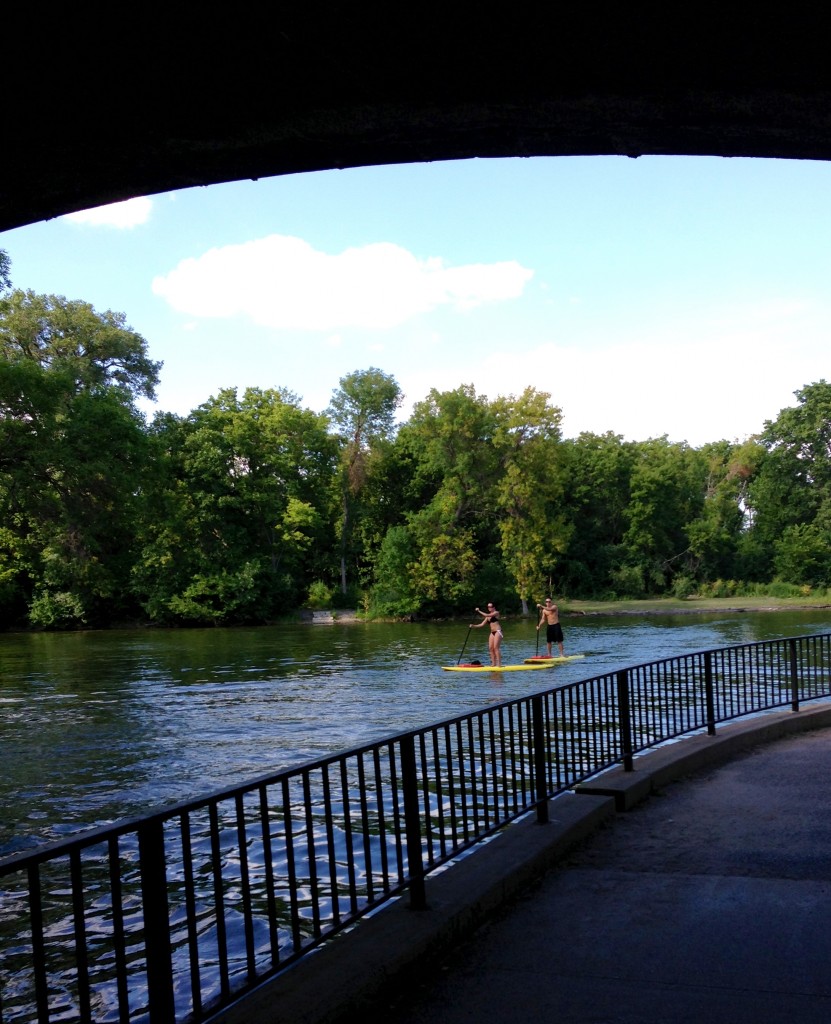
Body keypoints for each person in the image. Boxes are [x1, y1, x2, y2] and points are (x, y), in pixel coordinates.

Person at [472, 602, 503, 667]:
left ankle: (499, 664)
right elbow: (481, 624)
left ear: (494, 607)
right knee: (491, 648)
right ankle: (493, 664)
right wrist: (473, 626)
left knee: (496, 648)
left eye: (490, 607)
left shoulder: (496, 613)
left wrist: (479, 611)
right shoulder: (488, 616)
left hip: (498, 631)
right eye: (488, 607)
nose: (489, 608)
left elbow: (486, 615)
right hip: (492, 633)